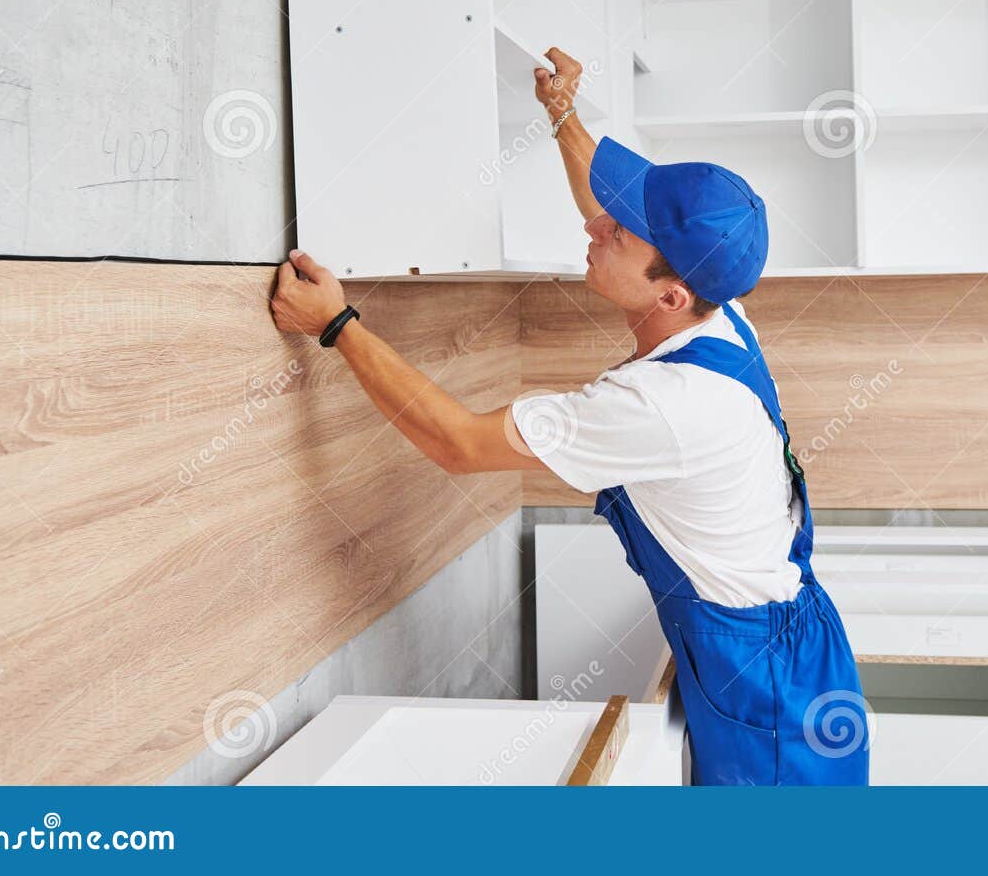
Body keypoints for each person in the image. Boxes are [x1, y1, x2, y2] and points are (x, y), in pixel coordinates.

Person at [269, 47, 868, 785]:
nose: (593, 227)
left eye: (618, 232)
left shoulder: (664, 406)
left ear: (670, 296)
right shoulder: (718, 307)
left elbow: (459, 445)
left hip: (767, 696)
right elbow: (605, 208)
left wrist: (335, 325)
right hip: (778, 646)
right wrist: (561, 114)